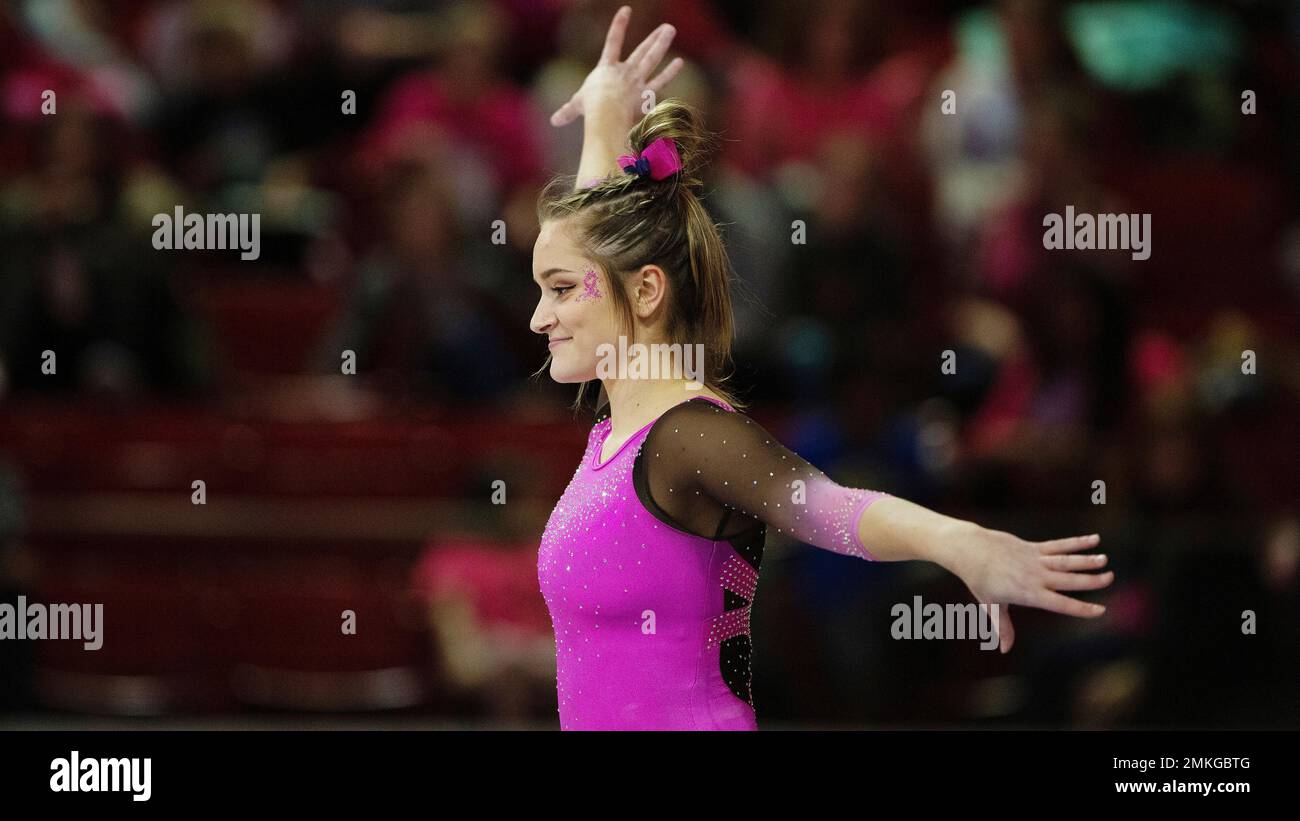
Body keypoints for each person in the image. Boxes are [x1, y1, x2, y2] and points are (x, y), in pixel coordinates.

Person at [530, 6, 1113, 730]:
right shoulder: (620, 427)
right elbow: (599, 262)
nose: (539, 317)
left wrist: (962, 542)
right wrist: (605, 119)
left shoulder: (689, 435)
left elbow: (826, 505)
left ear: (646, 292)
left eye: (556, 292)